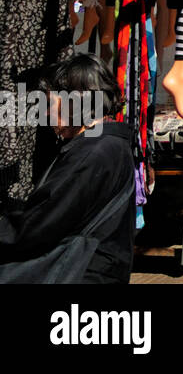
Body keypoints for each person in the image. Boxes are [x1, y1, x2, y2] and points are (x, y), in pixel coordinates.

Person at [0, 55, 136, 283]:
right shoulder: (108, 143)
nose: (44, 113)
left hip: (80, 272)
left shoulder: (94, 151)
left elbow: (40, 224)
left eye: (49, 103)